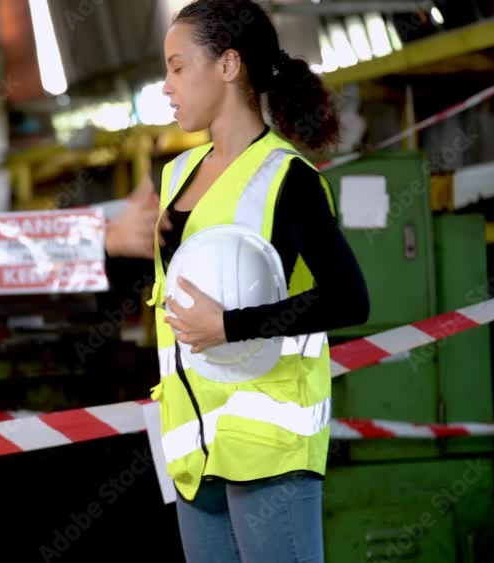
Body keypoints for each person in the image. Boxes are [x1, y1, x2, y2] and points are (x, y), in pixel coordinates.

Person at [106, 1, 369, 561]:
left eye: (178, 67)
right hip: (193, 447)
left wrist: (228, 326)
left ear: (228, 66)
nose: (167, 86)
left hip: (266, 450)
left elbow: (349, 298)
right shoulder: (175, 176)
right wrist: (116, 243)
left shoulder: (286, 177)